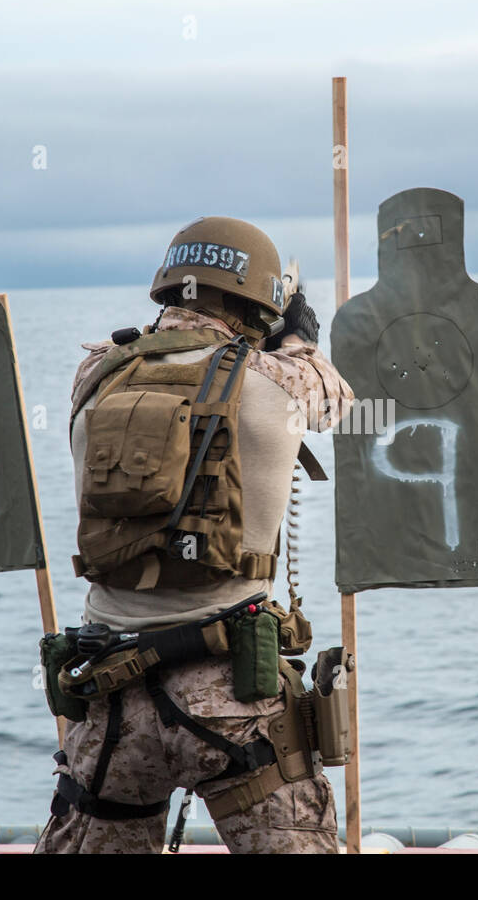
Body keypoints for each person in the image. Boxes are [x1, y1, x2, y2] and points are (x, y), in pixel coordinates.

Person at [35, 216, 353, 854]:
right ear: (255, 303)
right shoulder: (276, 380)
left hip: (110, 695)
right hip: (235, 694)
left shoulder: (95, 376)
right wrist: (298, 335)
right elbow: (336, 399)